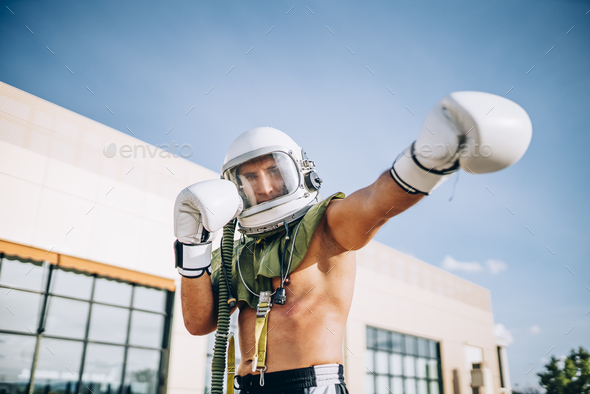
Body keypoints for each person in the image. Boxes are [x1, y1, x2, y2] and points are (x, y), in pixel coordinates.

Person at [173, 91, 532, 393]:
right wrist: (193, 245)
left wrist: (429, 155)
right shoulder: (235, 252)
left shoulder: (327, 224)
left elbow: (377, 201)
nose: (264, 187)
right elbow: (199, 323)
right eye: (250, 177)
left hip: (311, 385)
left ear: (300, 170)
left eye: (273, 171)